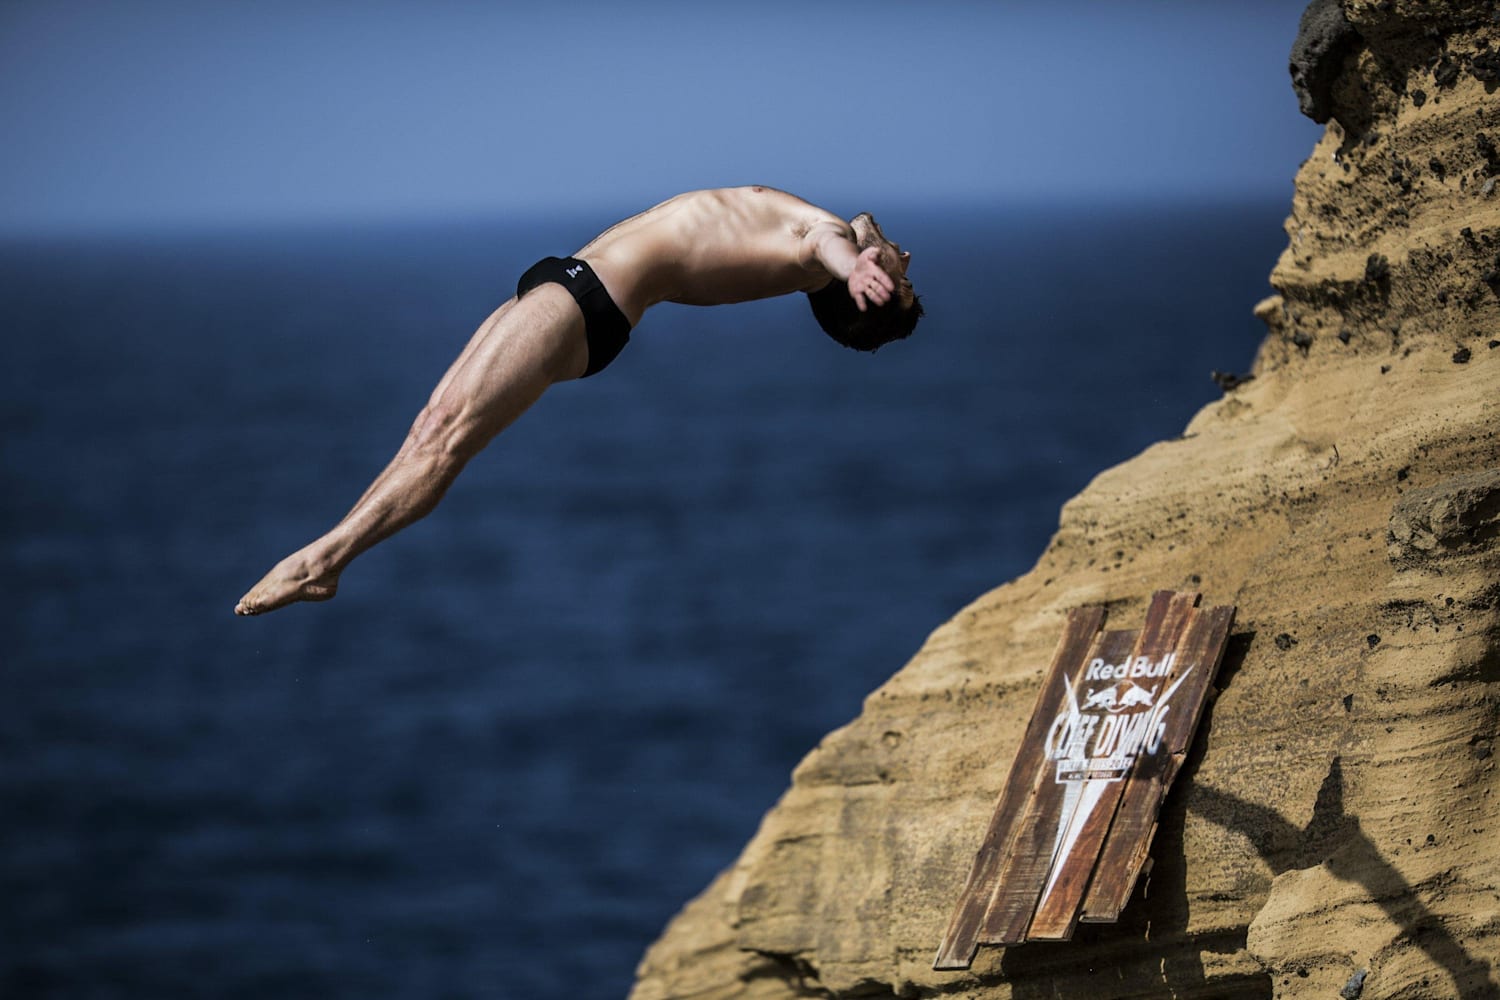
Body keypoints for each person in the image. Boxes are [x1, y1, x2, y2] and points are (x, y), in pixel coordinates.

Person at [234, 186, 922, 616]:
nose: (907, 257)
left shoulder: (818, 245)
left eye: (901, 279)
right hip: (567, 281)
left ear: (869, 286)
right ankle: (329, 553)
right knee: (430, 427)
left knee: (445, 436)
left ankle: (324, 563)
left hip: (588, 305)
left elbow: (823, 243)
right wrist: (857, 267)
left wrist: (852, 264)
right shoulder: (812, 240)